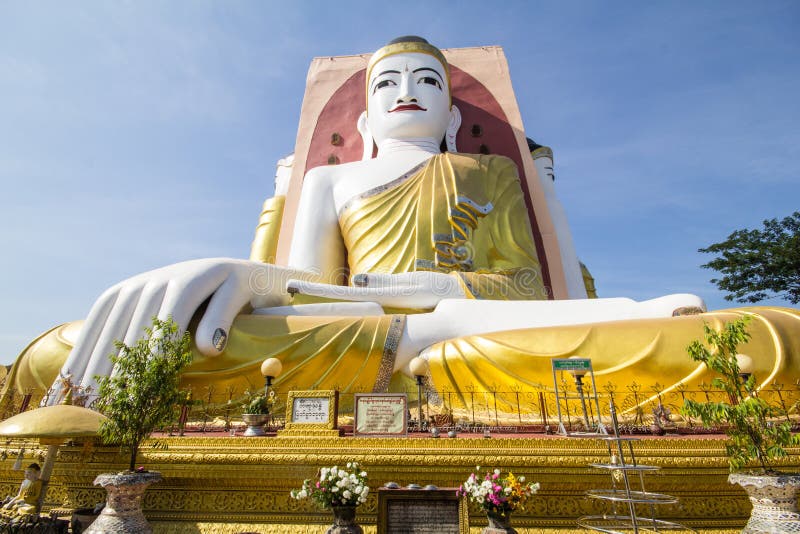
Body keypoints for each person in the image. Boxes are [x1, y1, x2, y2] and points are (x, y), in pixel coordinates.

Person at [3, 37, 796, 412]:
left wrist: (411, 290)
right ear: (367, 107)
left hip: (467, 334)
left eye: (428, 80)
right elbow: (307, 294)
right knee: (63, 353)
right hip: (342, 331)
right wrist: (243, 274)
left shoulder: (485, 173)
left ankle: (587, 324)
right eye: (389, 81)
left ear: (453, 110)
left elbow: (520, 289)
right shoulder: (330, 177)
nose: (408, 89)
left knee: (768, 337)